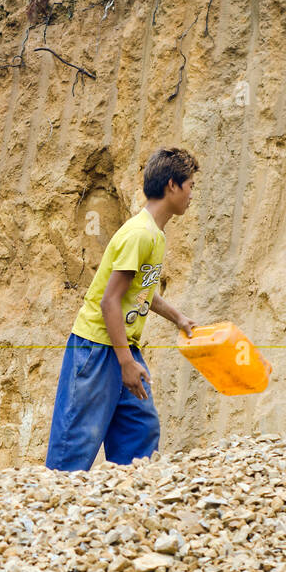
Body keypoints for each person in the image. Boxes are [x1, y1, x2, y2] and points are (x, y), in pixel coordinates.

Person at [45, 147, 198, 471]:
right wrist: (126, 362)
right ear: (173, 185)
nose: (191, 195)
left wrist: (178, 318)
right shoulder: (139, 234)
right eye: (190, 186)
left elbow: (140, 291)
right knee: (75, 444)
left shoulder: (155, 235)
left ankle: (127, 505)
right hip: (97, 348)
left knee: (140, 432)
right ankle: (55, 513)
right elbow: (109, 301)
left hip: (124, 347)